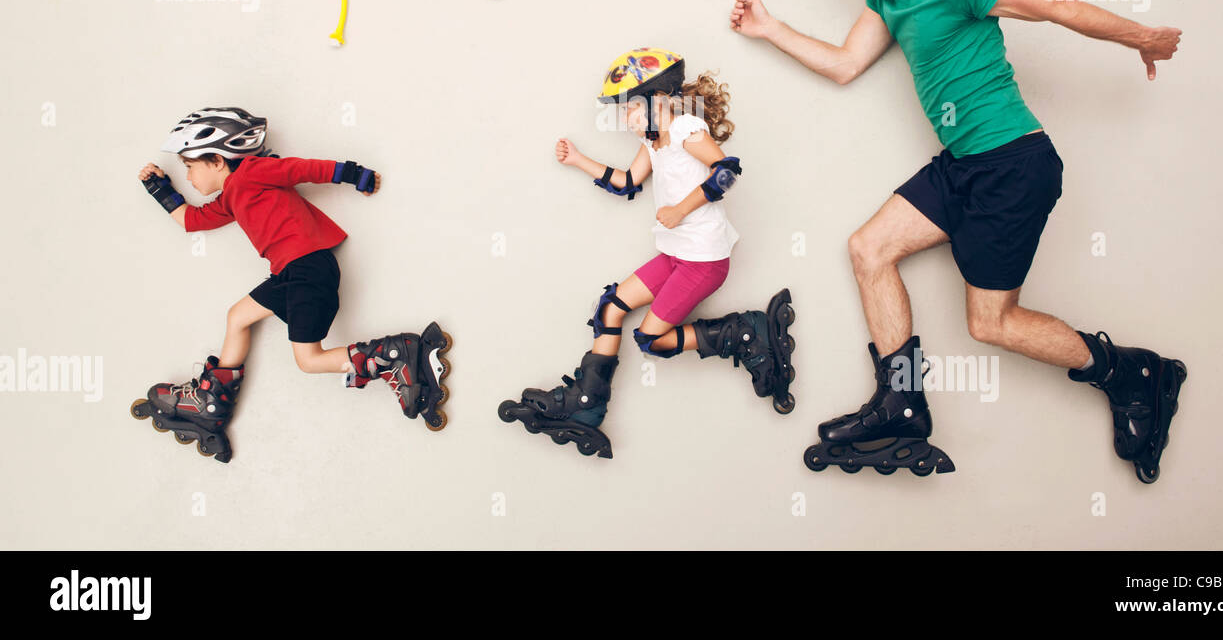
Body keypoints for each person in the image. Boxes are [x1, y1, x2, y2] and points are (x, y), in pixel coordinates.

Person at [731, 0, 1186, 482]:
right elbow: (844, 65)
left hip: (1013, 166)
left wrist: (1143, 39)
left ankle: (1133, 373)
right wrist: (769, 29)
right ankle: (902, 401)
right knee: (870, 249)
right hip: (963, 166)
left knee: (990, 323)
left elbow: (1055, 7)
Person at [497, 48, 796, 458]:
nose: (626, 118)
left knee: (652, 340)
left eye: (631, 107)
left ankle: (744, 333)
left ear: (659, 100)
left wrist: (680, 210)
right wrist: (580, 160)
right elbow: (627, 182)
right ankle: (588, 404)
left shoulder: (687, 128)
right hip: (675, 255)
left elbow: (726, 170)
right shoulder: (653, 139)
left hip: (703, 260)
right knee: (610, 307)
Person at [132, 106, 451, 462]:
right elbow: (193, 220)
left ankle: (396, 353)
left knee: (308, 360)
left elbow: (302, 169)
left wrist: (353, 174)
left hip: (308, 268)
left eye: (190, 167)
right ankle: (210, 404)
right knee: (238, 316)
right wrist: (159, 188)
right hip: (290, 273)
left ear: (218, 161)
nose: (188, 177)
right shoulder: (231, 199)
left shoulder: (253, 173)